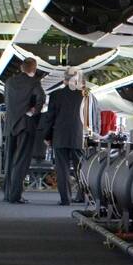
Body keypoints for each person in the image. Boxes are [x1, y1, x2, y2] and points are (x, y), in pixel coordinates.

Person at [0, 58, 45, 203]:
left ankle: (7, 194)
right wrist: (32, 111)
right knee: (21, 161)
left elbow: (7, 102)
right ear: (35, 68)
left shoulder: (9, 82)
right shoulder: (34, 82)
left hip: (10, 125)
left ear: (21, 67)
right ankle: (15, 196)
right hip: (25, 126)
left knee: (9, 160)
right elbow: (41, 98)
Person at [41, 71, 85, 205]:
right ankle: (83, 196)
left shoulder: (55, 95)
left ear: (64, 80)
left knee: (62, 169)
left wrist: (47, 136)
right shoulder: (84, 95)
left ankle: (65, 199)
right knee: (80, 169)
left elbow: (50, 118)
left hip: (60, 136)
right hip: (78, 136)